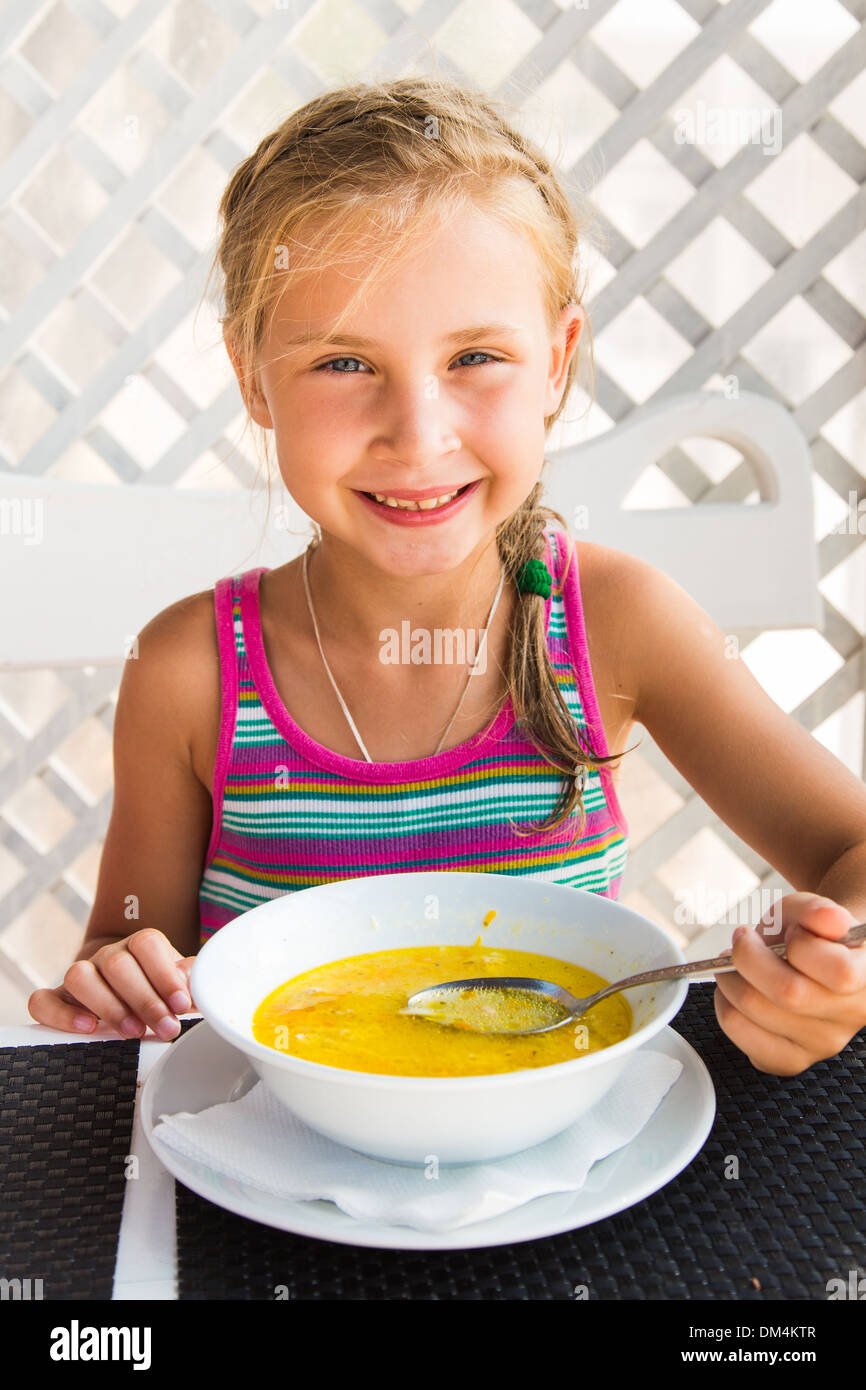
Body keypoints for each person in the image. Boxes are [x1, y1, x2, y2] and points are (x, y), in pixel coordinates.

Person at [28, 77, 866, 1075]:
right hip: (267, 1178)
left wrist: (829, 969)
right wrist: (117, 978)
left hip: (566, 1172)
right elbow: (124, 959)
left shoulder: (613, 622)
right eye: (344, 363)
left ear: (556, 361)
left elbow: (848, 855)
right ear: (253, 378)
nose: (417, 435)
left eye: (473, 355)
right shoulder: (191, 671)